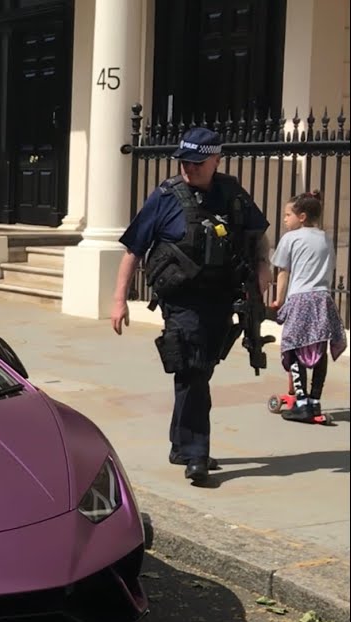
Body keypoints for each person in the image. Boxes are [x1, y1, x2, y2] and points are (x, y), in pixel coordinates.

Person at [110, 127, 270, 484]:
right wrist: (119, 299)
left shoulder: (231, 193)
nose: (189, 169)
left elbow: (257, 234)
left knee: (197, 371)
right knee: (195, 368)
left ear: (216, 159)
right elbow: (134, 248)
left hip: (220, 299)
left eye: (197, 162)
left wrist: (263, 268)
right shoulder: (166, 196)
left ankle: (181, 444)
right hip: (181, 300)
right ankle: (197, 454)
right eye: (184, 161)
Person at [269, 190, 347, 423]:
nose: (284, 219)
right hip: (322, 299)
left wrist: (278, 300)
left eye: (287, 214)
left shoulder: (291, 239)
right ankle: (314, 401)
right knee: (318, 349)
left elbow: (283, 272)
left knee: (293, 348)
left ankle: (301, 403)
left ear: (301, 216)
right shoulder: (325, 238)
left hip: (300, 299)